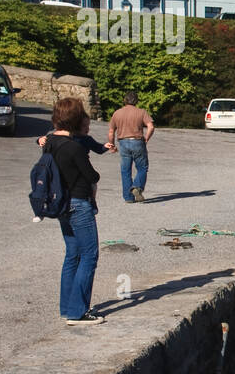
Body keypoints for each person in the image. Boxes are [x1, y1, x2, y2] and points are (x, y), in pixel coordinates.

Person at [46, 98, 104, 324]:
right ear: (76, 119)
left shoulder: (49, 143)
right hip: (79, 203)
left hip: (59, 202)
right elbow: (92, 176)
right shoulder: (74, 147)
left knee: (72, 254)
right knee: (89, 255)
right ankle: (78, 312)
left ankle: (67, 307)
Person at [34, 118, 116, 221]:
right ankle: (40, 211)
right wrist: (40, 140)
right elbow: (44, 139)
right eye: (84, 126)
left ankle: (92, 202)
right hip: (62, 167)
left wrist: (105, 147)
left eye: (88, 126)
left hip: (81, 166)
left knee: (92, 185)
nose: (87, 129)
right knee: (46, 186)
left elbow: (98, 148)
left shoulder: (86, 139)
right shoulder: (65, 138)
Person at [107, 91, 154, 203]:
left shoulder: (117, 113)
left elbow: (111, 131)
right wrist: (146, 138)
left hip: (123, 143)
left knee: (125, 170)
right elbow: (151, 126)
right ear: (136, 101)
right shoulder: (141, 112)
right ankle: (137, 187)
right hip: (137, 142)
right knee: (142, 168)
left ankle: (128, 198)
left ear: (125, 100)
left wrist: (111, 146)